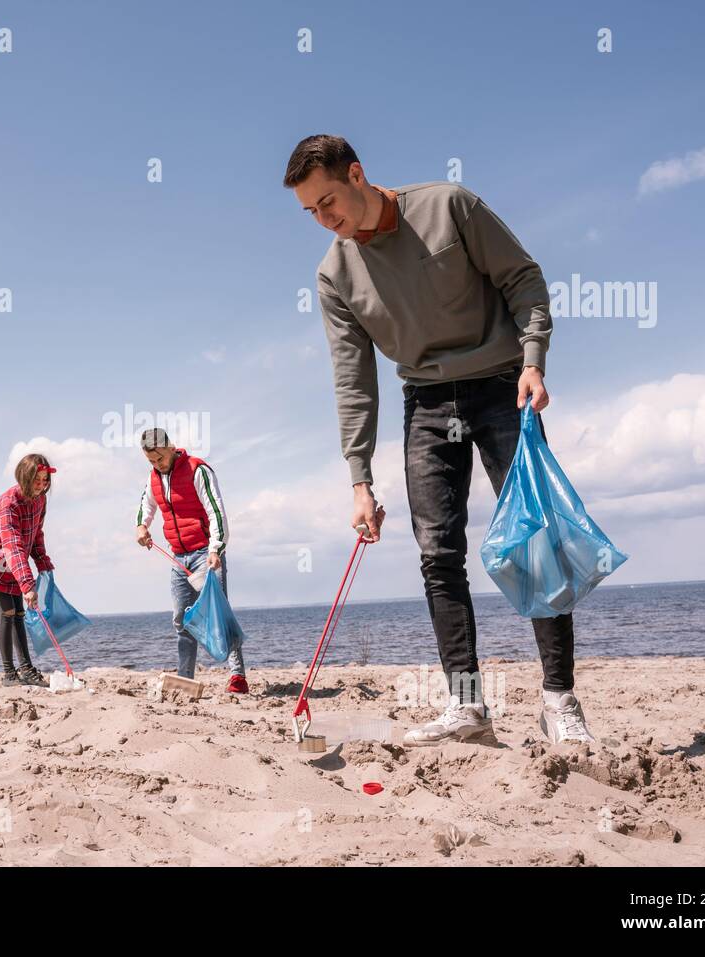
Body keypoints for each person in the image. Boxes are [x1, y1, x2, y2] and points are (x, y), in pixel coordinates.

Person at [284, 133, 590, 746]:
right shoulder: (333, 274)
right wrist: (359, 479)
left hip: (503, 385)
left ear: (357, 174)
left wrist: (533, 360)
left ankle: (559, 699)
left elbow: (523, 278)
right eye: (310, 212)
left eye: (328, 202)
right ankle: (468, 706)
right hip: (425, 404)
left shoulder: (450, 206)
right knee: (438, 556)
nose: (324, 220)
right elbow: (353, 378)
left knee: (535, 540)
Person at [135, 428, 249, 693]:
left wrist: (216, 549)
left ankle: (237, 676)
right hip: (178, 557)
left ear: (172, 447)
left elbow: (216, 510)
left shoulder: (198, 470)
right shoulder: (153, 479)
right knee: (182, 619)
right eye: (151, 461)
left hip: (204, 553)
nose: (157, 465)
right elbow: (145, 506)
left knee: (219, 615)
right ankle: (185, 678)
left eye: (160, 458)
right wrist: (142, 526)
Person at [0, 453, 56, 687]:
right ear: (25, 478)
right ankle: (9, 674)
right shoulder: (8, 503)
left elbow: (35, 535)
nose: (42, 485)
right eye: (37, 480)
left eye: (45, 480)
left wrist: (43, 564)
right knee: (7, 613)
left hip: (14, 566)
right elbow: (13, 546)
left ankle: (26, 669)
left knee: (19, 614)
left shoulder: (40, 500)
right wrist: (27, 585)